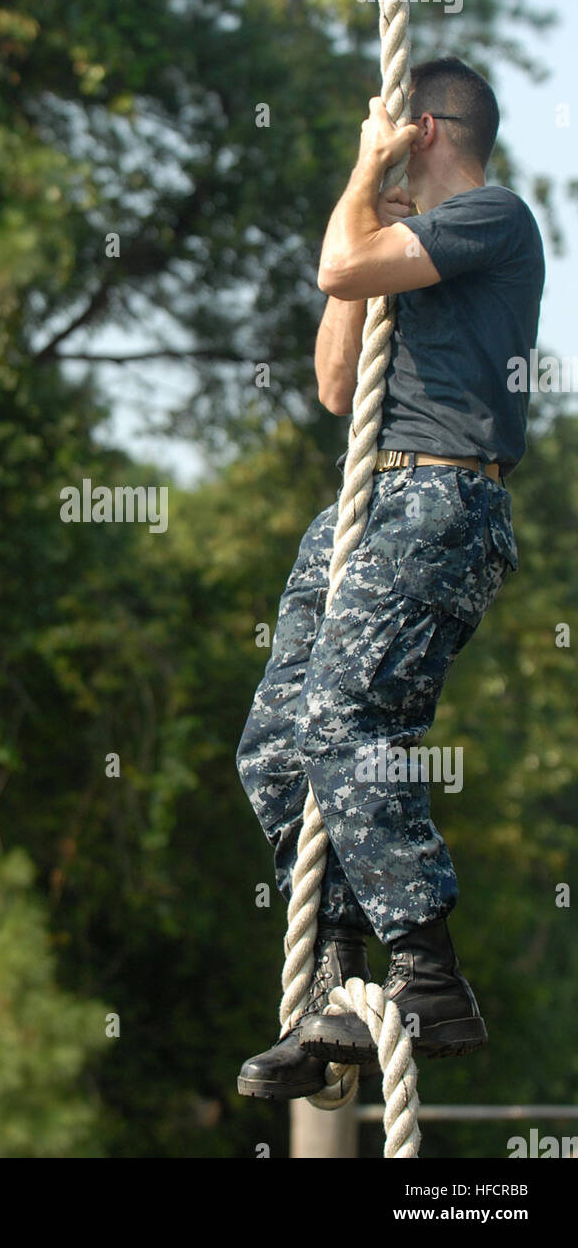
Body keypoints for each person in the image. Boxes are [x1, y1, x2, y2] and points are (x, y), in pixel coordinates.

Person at [235, 57, 545, 1099]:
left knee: (345, 724)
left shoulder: (491, 216)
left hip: (440, 500)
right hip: (365, 498)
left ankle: (429, 971)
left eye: (378, 131)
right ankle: (335, 983)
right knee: (276, 745)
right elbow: (335, 382)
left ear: (420, 129)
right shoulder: (394, 250)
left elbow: (337, 264)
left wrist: (366, 193)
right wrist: (366, 207)